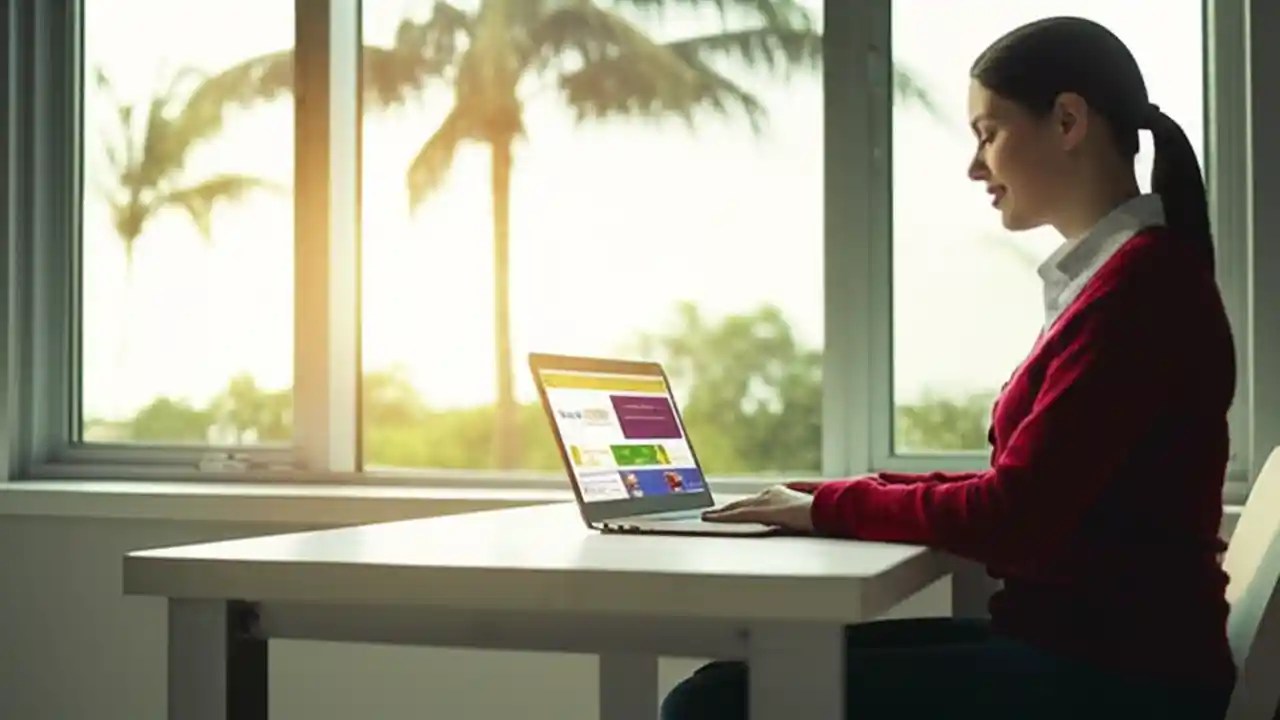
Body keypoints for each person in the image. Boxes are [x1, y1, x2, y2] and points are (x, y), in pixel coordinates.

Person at [663, 16, 1237, 720]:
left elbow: (1013, 513)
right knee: (738, 680)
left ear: (1067, 121)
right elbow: (1023, 490)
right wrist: (824, 498)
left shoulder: (1141, 291)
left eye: (988, 134)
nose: (975, 167)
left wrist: (826, 507)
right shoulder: (1124, 280)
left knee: (714, 703)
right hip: (1097, 654)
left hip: (1119, 679)